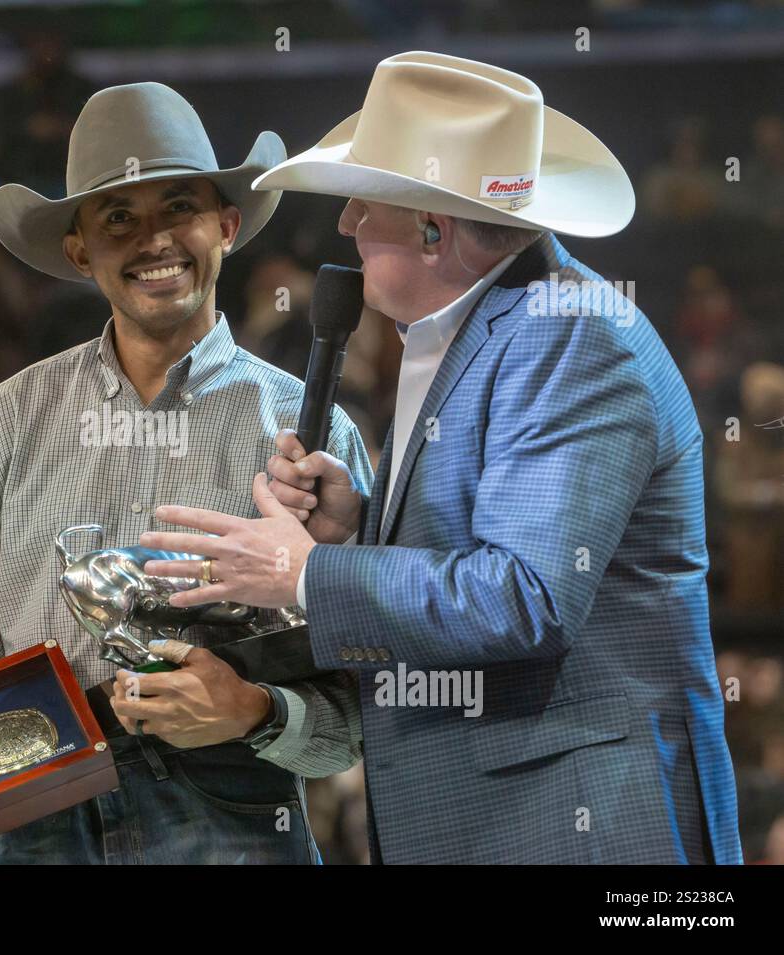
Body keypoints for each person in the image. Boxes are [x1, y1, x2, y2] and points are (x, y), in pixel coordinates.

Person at [137, 52, 742, 864]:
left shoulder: (570, 334)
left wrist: (308, 573)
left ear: (434, 227)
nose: (347, 224)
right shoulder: (503, 326)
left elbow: (526, 597)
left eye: (364, 201)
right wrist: (356, 531)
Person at [0, 83, 374, 864]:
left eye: (179, 207)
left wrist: (249, 709)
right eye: (118, 219)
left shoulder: (311, 437)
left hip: (234, 817)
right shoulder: (5, 419)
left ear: (227, 225)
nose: (153, 240)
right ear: (81, 251)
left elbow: (355, 712)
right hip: (35, 814)